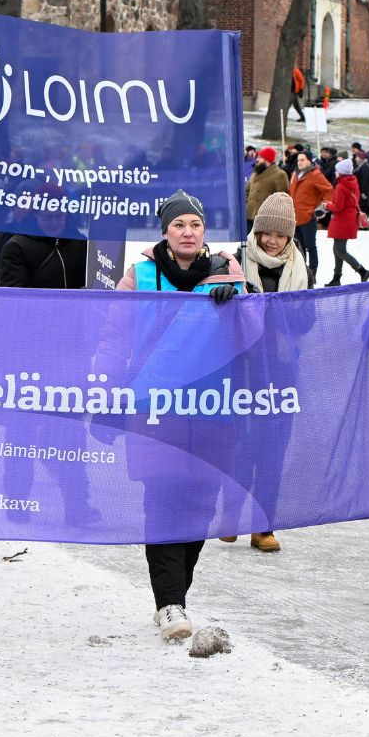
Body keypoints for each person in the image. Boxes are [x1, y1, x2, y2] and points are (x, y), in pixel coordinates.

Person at [116, 190, 244, 641]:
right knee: (163, 499)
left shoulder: (228, 270)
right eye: (178, 226)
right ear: (165, 232)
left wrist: (240, 307)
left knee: (200, 504)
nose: (187, 233)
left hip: (213, 405)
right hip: (157, 406)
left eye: (195, 225)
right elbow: (113, 333)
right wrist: (109, 392)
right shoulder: (141, 275)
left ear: (204, 230)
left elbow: (254, 335)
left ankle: (176, 593)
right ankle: (170, 602)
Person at [228, 190, 308, 554]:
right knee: (240, 443)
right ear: (257, 232)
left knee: (274, 446)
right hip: (241, 367)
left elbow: (309, 319)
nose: (273, 242)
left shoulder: (299, 268)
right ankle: (231, 514)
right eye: (267, 233)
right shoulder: (234, 262)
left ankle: (263, 525)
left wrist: (290, 315)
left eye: (281, 235)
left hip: (281, 368)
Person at [0, 225, 87, 290]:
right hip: (34, 314)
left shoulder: (81, 243)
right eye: (47, 217)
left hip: (76, 314)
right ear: (36, 215)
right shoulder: (16, 247)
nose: (54, 223)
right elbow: (13, 294)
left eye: (59, 217)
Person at [325, 162, 369, 285]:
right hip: (348, 220)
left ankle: (362, 271)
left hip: (342, 221)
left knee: (340, 251)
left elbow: (338, 207)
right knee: (337, 249)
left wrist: (327, 205)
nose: (335, 172)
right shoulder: (352, 182)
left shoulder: (340, 186)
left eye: (336, 170)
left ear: (341, 172)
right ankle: (336, 277)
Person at [288, 152, 329, 277]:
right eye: (298, 160)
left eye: (302, 160)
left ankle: (312, 273)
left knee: (310, 246)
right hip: (295, 217)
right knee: (298, 247)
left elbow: (328, 191)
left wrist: (322, 207)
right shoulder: (295, 174)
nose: (299, 162)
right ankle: (302, 272)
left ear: (310, 161)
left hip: (308, 217)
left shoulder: (316, 175)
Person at [246, 147, 288, 222]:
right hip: (249, 215)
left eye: (260, 157)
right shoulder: (255, 173)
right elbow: (247, 191)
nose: (257, 159)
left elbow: (282, 198)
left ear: (267, 160)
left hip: (266, 218)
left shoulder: (279, 174)